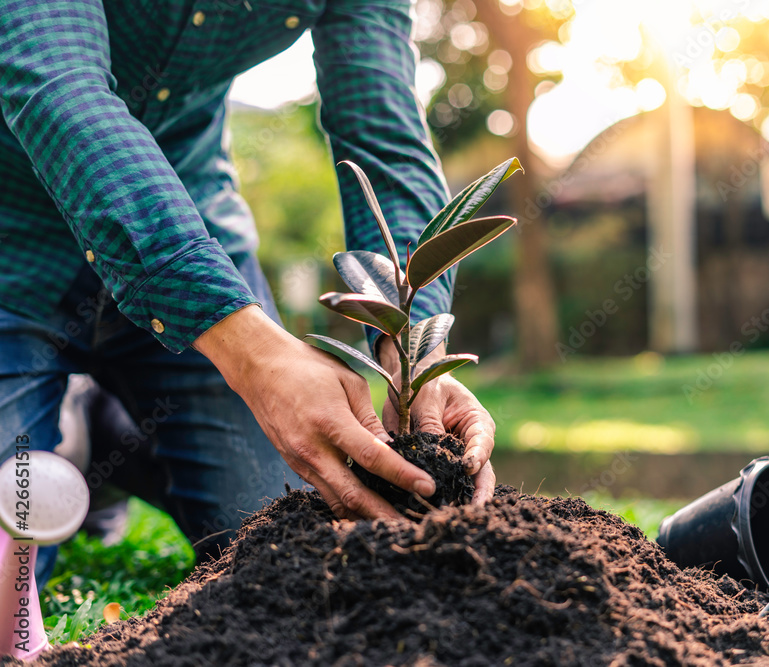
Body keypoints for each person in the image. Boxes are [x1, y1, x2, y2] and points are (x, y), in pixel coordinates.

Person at [0, 0, 497, 587]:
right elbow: (60, 87)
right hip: (16, 245)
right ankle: (69, 428)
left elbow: (383, 137)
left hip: (188, 221)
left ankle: (111, 433)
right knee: (11, 564)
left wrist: (415, 351)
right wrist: (251, 348)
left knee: (283, 529)